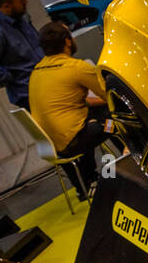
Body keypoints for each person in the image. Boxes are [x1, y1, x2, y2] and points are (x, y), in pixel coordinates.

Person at [28, 22, 116, 196]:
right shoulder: (76, 67)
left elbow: (70, 103)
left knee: (92, 116)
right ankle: (135, 163)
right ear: (68, 41)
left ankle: (89, 182)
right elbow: (111, 95)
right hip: (75, 141)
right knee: (115, 120)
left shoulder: (36, 71)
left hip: (52, 146)